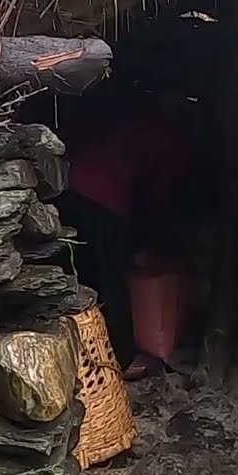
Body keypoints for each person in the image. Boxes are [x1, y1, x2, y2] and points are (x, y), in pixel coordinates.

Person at [60, 85, 199, 379]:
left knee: (80, 272)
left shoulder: (132, 117)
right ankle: (121, 358)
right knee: (112, 278)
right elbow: (156, 196)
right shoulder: (174, 138)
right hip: (104, 199)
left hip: (68, 188)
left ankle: (79, 348)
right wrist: (151, 239)